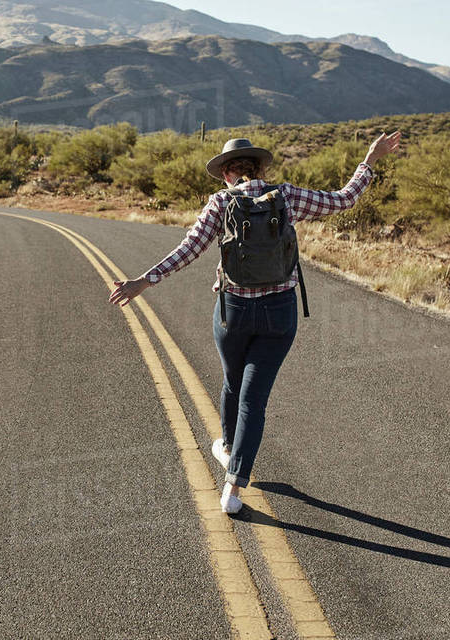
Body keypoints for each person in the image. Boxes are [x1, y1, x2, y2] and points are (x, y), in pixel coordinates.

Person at [108, 131, 401, 514]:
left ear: (227, 172)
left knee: (233, 382)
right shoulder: (288, 196)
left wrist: (144, 281)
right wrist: (370, 159)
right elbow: (344, 200)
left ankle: (230, 456)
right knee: (254, 399)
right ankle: (232, 481)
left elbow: (188, 249)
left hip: (234, 312)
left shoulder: (220, 202)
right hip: (280, 312)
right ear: (261, 168)